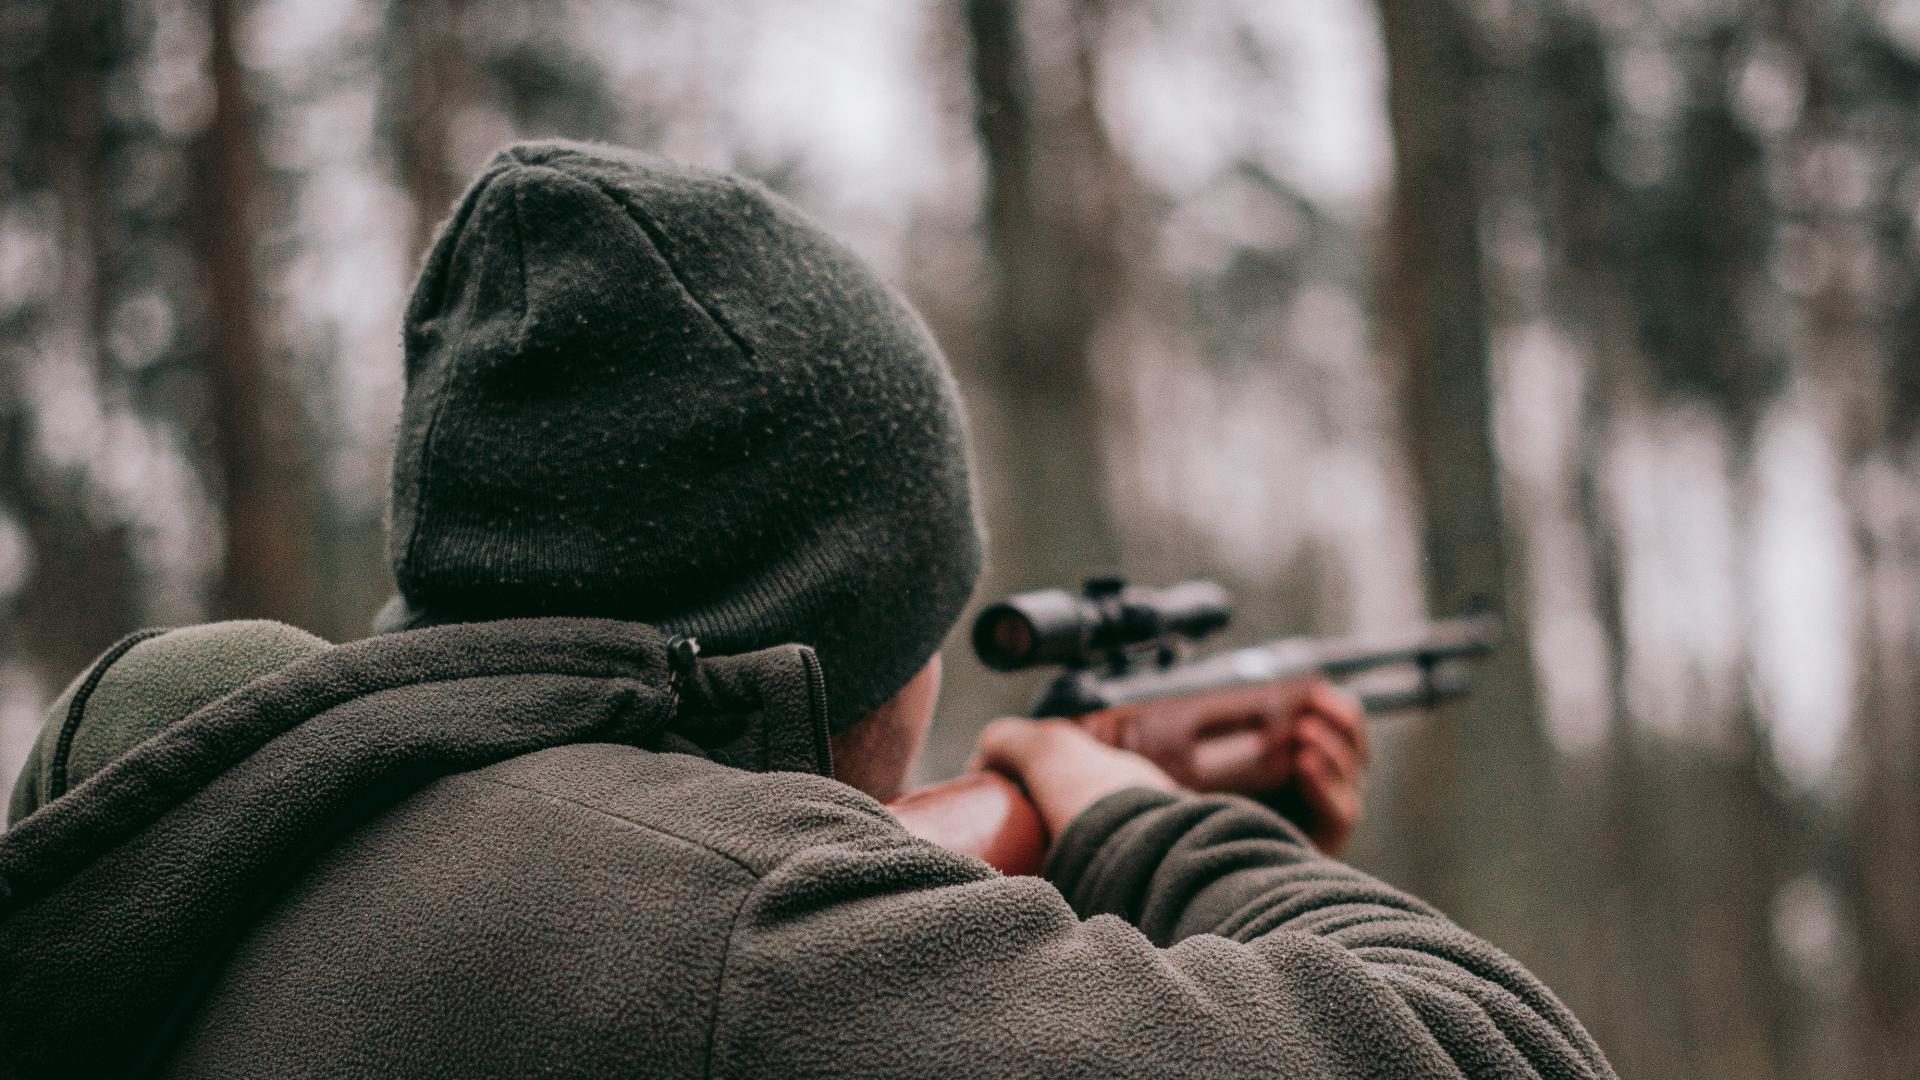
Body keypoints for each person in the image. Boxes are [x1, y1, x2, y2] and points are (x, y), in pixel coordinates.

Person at [0, 141, 1612, 1079]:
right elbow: (1507, 1055)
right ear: (829, 639)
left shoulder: (237, 831)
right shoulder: (729, 933)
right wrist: (1145, 827)